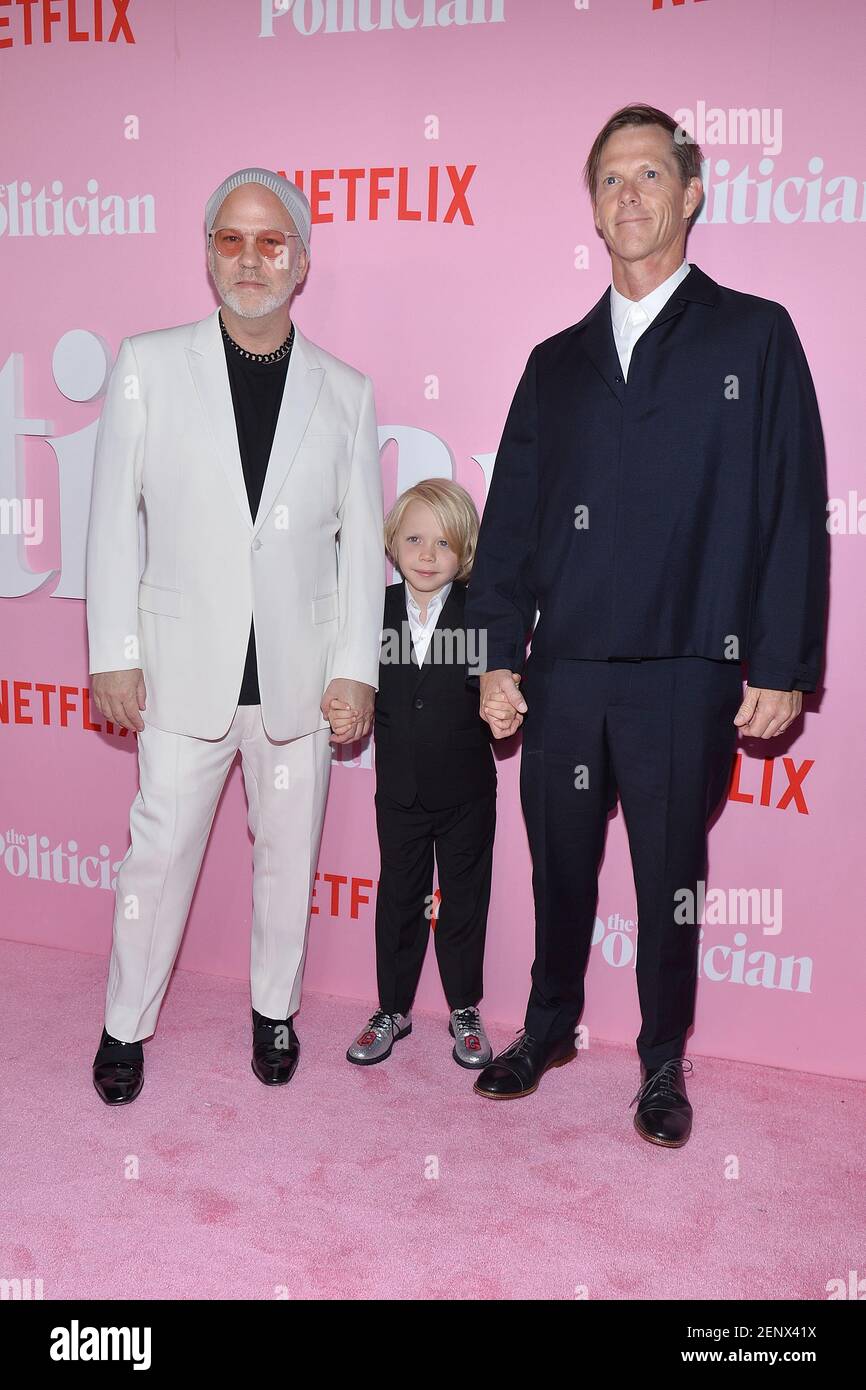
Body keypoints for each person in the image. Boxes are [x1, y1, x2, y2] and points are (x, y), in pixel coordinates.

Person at [465, 105, 829, 1147]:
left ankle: (661, 1061)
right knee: (557, 865)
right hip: (565, 669)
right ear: (593, 206)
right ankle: (545, 1027)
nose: (628, 196)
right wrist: (495, 655)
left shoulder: (752, 337)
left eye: (647, 176)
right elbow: (512, 526)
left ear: (690, 191)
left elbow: (788, 504)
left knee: (671, 877)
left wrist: (784, 660)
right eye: (609, 180)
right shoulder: (554, 362)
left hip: (688, 667)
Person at [86, 167, 384, 1105]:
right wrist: (113, 654)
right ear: (208, 254)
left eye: (270, 241)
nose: (249, 259)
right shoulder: (146, 363)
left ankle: (274, 1011)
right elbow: (109, 525)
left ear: (302, 261)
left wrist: (356, 674)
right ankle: (124, 1025)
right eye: (230, 239)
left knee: (288, 855)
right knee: (158, 855)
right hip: (179, 674)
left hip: (299, 682)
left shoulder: (346, 389)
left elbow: (363, 546)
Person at [338, 480, 498, 1070]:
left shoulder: (480, 612)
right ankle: (393, 1008)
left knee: (463, 902)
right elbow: (351, 683)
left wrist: (503, 705)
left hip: (467, 792)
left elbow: (498, 687)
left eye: (444, 544)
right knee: (399, 899)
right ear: (392, 542)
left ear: (466, 553)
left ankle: (464, 1009)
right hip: (399, 792)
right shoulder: (370, 613)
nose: (427, 556)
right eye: (414, 539)